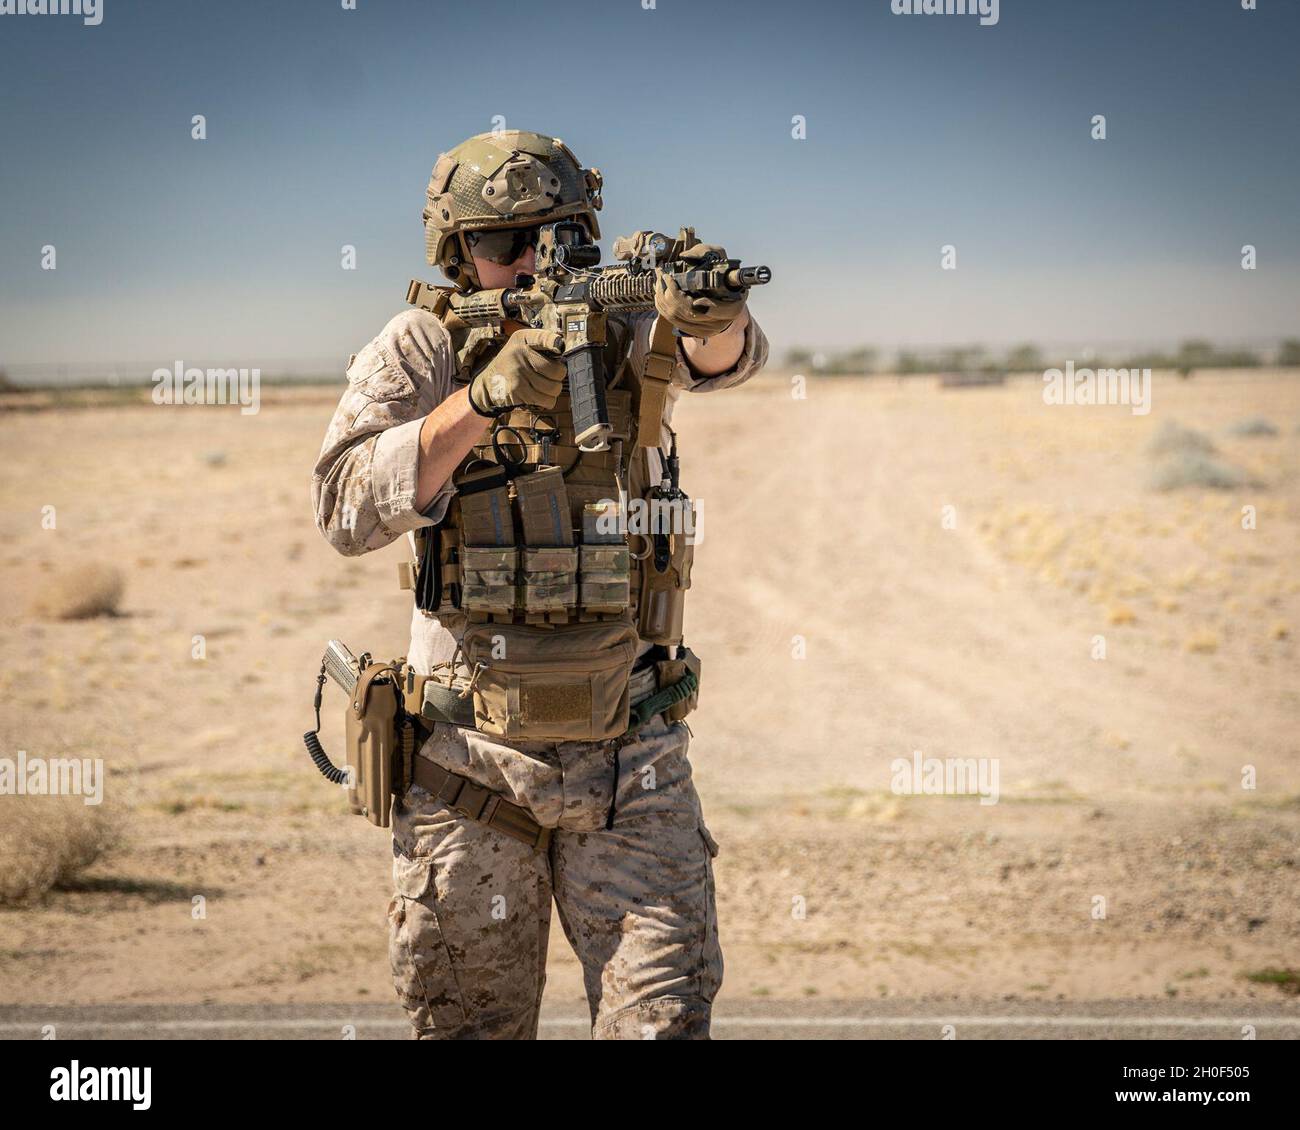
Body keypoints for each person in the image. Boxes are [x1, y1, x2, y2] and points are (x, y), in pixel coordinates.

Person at [312, 130, 768, 1039]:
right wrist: (477, 405)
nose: (530, 263)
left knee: (662, 1024)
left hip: (630, 753)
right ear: (457, 250)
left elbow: (727, 356)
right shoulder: (420, 345)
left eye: (556, 238)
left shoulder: (629, 323)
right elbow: (345, 510)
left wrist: (710, 311)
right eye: (502, 245)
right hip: (468, 764)